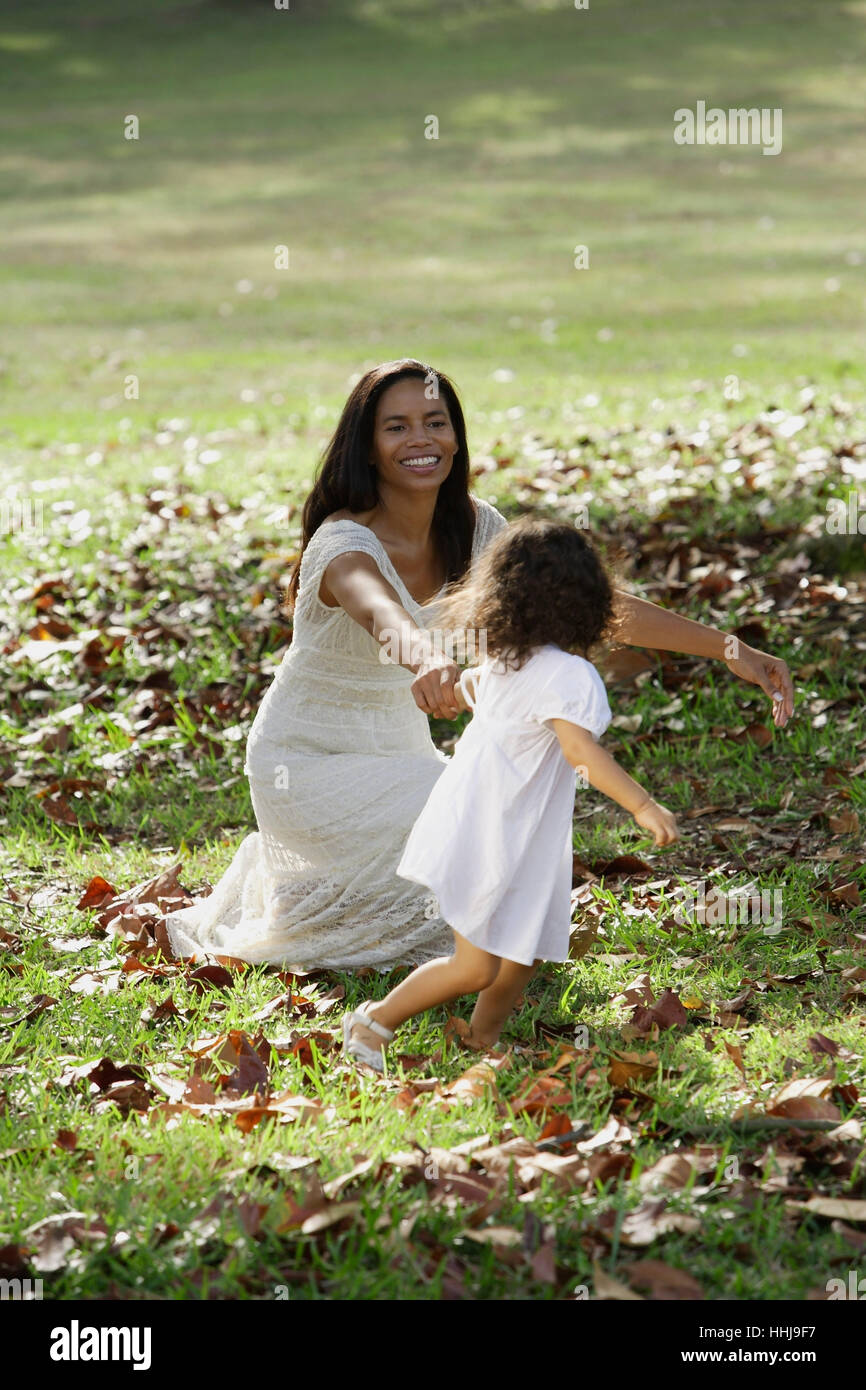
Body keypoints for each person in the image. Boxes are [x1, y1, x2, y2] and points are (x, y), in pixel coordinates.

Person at [165, 358, 794, 972]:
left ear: (457, 436)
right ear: (367, 447)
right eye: (396, 426)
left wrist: (734, 650)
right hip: (304, 767)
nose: (421, 439)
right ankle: (350, 911)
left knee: (502, 828)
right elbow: (382, 612)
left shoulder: (473, 526)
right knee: (487, 831)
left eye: (435, 422)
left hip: (400, 758)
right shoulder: (343, 542)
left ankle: (355, 904)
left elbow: (589, 603)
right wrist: (428, 659)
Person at [341, 519, 680, 1070]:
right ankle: (374, 1021)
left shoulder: (504, 661)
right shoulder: (568, 674)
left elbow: (476, 689)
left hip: (506, 830)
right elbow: (581, 754)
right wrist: (641, 804)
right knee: (476, 966)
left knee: (520, 955)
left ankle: (480, 1039)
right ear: (586, 602)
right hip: (492, 830)